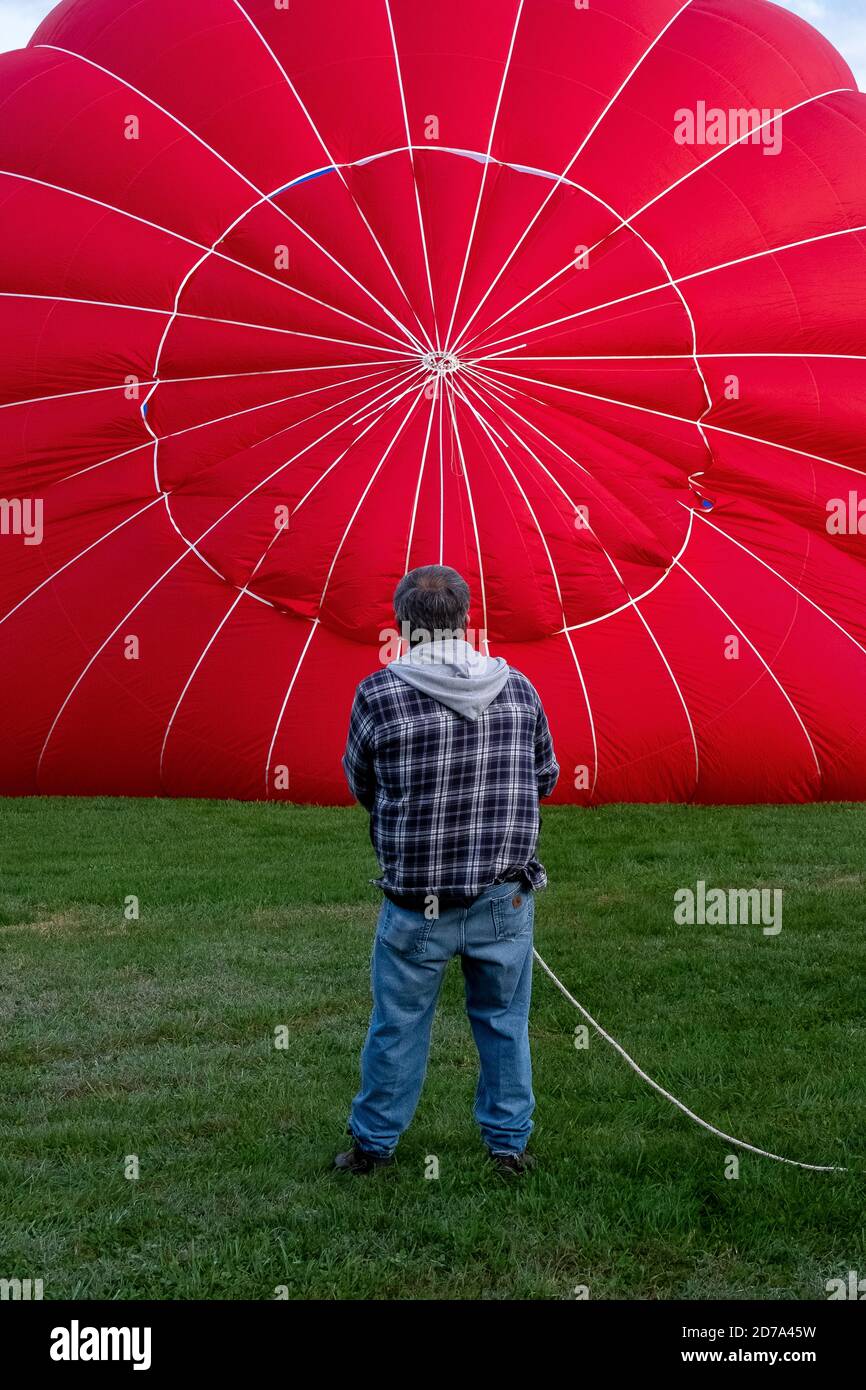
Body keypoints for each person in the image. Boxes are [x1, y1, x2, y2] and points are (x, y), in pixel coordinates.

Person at [336, 565, 559, 1176]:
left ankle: (373, 1149)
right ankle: (508, 1146)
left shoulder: (378, 694)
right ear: (466, 619)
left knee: (398, 1025)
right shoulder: (519, 689)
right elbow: (545, 777)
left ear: (404, 627)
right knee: (503, 1023)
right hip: (503, 898)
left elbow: (362, 782)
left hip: (416, 903)